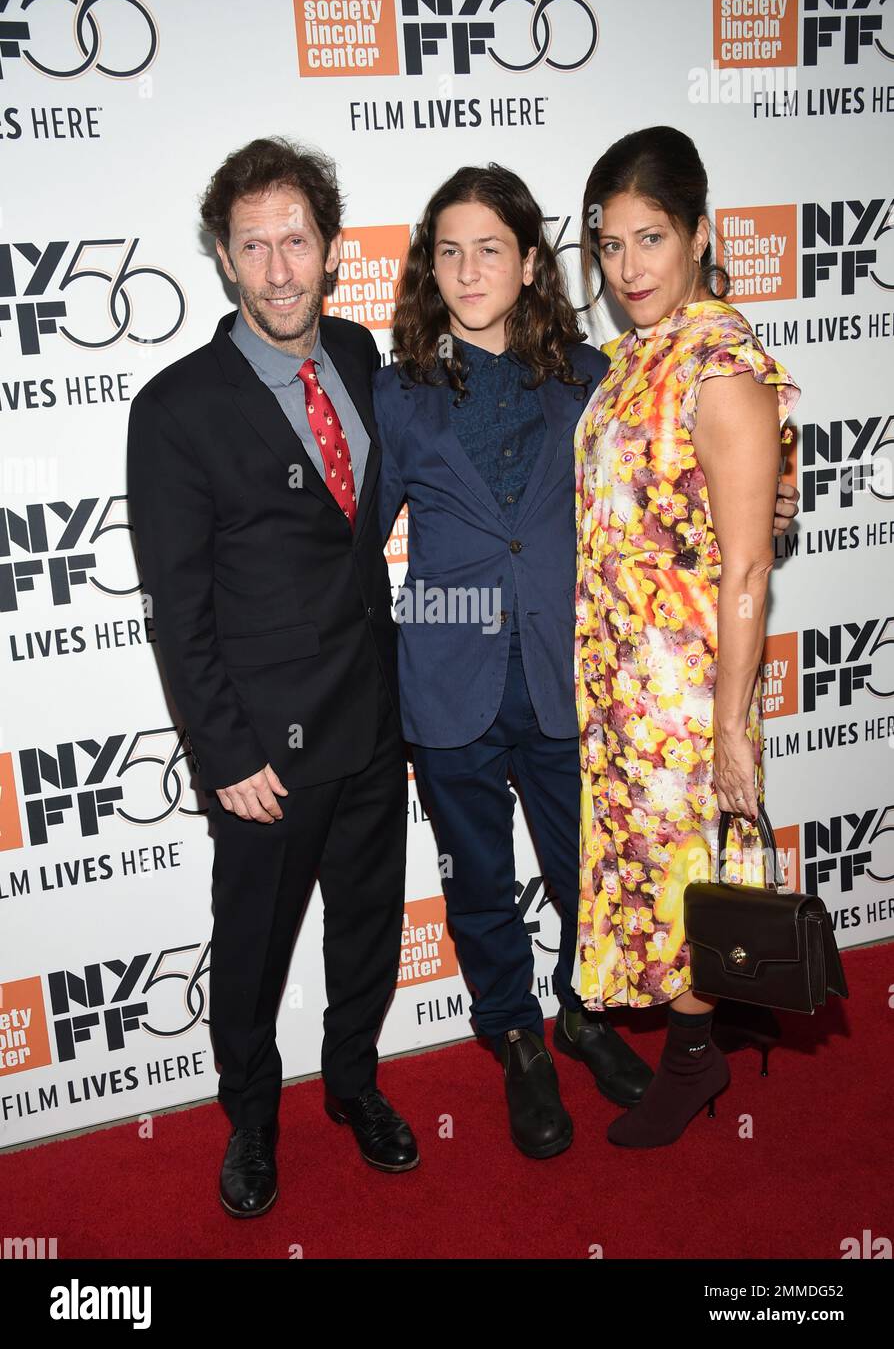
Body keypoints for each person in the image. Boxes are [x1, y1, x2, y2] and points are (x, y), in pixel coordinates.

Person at [375, 164, 800, 1159]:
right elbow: (357, 549)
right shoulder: (396, 396)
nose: (470, 268)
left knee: (593, 880)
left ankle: (584, 1014)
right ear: (429, 271)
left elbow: (695, 460)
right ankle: (518, 1041)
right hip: (448, 689)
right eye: (450, 251)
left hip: (583, 689)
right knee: (479, 884)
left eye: (492, 248)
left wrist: (775, 494)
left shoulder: (597, 375)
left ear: (531, 263)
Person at [127, 136, 418, 1219]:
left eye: (297, 240)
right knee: (251, 954)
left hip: (374, 722)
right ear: (223, 256)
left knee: (369, 931)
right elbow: (177, 606)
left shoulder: (356, 355)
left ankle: (356, 1087)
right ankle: (251, 1120)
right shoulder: (174, 410)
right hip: (264, 754)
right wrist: (225, 752)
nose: (280, 268)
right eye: (256, 246)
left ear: (332, 249)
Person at [573, 125, 800, 1148]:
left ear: (701, 234)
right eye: (611, 245)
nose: (629, 269)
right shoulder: (636, 360)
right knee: (655, 874)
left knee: (684, 878)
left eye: (651, 238)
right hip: (623, 683)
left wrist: (730, 729)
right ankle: (701, 1039)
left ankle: (696, 1056)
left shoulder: (718, 365)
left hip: (686, 688)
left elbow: (748, 564)